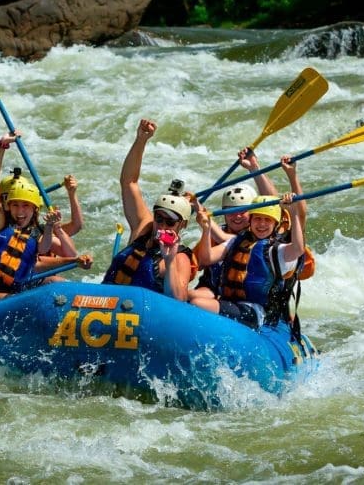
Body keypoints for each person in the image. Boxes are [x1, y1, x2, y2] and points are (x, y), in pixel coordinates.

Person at [0, 132, 92, 307]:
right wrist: (2, 146)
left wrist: (74, 260)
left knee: (59, 285)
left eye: (26, 206)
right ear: (8, 206)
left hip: (14, 293)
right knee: (21, 301)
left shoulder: (35, 234)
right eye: (15, 205)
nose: (20, 211)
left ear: (34, 209)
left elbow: (46, 255)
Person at [102, 118, 195, 301]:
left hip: (143, 319)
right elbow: (129, 182)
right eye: (159, 218)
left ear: (182, 224)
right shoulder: (143, 227)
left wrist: (169, 262)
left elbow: (179, 300)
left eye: (170, 222)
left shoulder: (180, 258)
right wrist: (141, 140)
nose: (162, 225)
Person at [189, 193, 307, 334]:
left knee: (197, 303)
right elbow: (206, 258)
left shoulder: (278, 252)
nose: (261, 224)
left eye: (267, 220)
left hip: (255, 312)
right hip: (230, 302)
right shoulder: (236, 241)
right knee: (186, 295)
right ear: (250, 221)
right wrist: (206, 230)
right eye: (257, 218)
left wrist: (293, 213)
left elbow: (298, 249)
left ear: (275, 224)